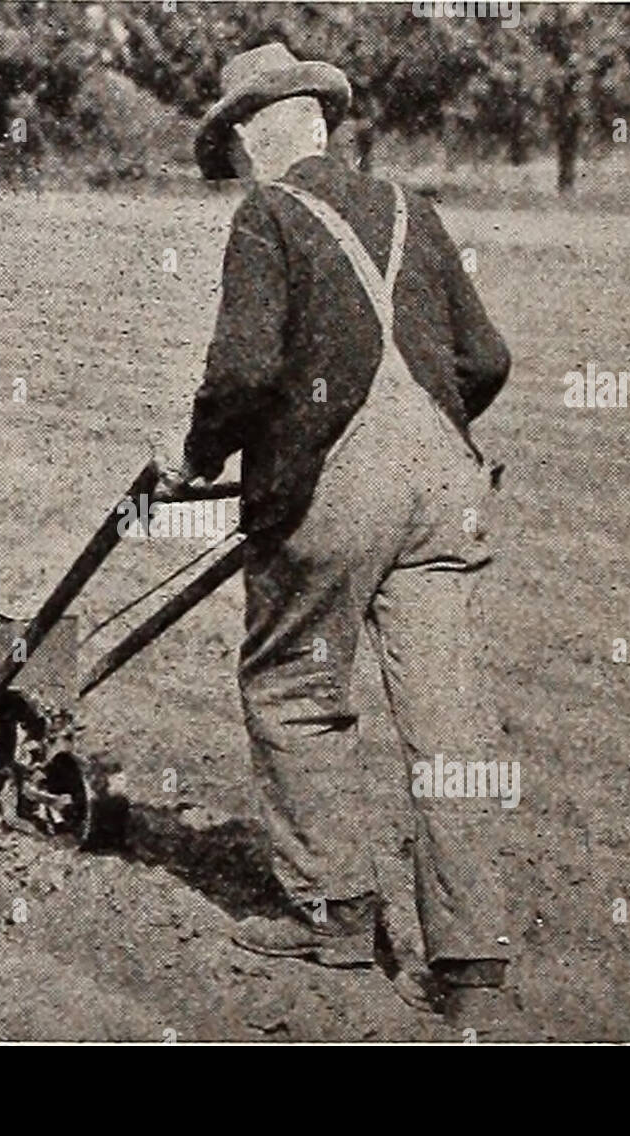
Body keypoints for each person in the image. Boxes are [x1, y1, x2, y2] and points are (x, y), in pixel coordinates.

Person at [156, 43, 515, 1028]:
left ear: (252, 131)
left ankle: (336, 915)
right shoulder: (412, 206)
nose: (232, 161)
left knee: (294, 687)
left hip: (335, 491)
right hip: (446, 484)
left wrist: (198, 458)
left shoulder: (267, 213)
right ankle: (470, 952)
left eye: (230, 142)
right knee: (450, 717)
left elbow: (241, 372)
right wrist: (430, 424)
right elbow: (483, 357)